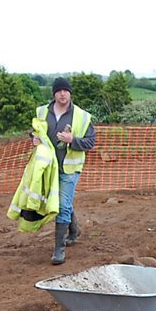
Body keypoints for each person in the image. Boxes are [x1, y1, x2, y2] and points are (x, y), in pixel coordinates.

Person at [31, 77, 97, 265]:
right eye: (59, 90)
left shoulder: (82, 117)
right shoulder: (42, 112)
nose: (62, 94)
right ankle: (74, 230)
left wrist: (72, 140)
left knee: (61, 205)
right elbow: (35, 131)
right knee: (64, 202)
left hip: (70, 168)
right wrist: (33, 139)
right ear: (54, 93)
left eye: (65, 91)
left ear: (70, 93)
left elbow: (90, 142)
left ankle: (59, 250)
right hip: (48, 167)